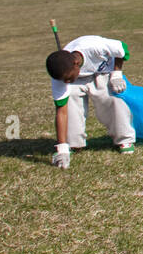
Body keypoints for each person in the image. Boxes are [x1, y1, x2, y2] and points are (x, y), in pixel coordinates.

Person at [45, 35, 136, 168]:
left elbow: (122, 48)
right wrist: (62, 148)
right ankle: (73, 143)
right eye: (63, 80)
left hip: (102, 72)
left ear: (76, 64)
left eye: (67, 79)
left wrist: (117, 74)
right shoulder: (61, 76)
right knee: (71, 101)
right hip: (78, 78)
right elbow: (62, 111)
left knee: (113, 99)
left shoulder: (93, 47)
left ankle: (125, 139)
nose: (65, 82)